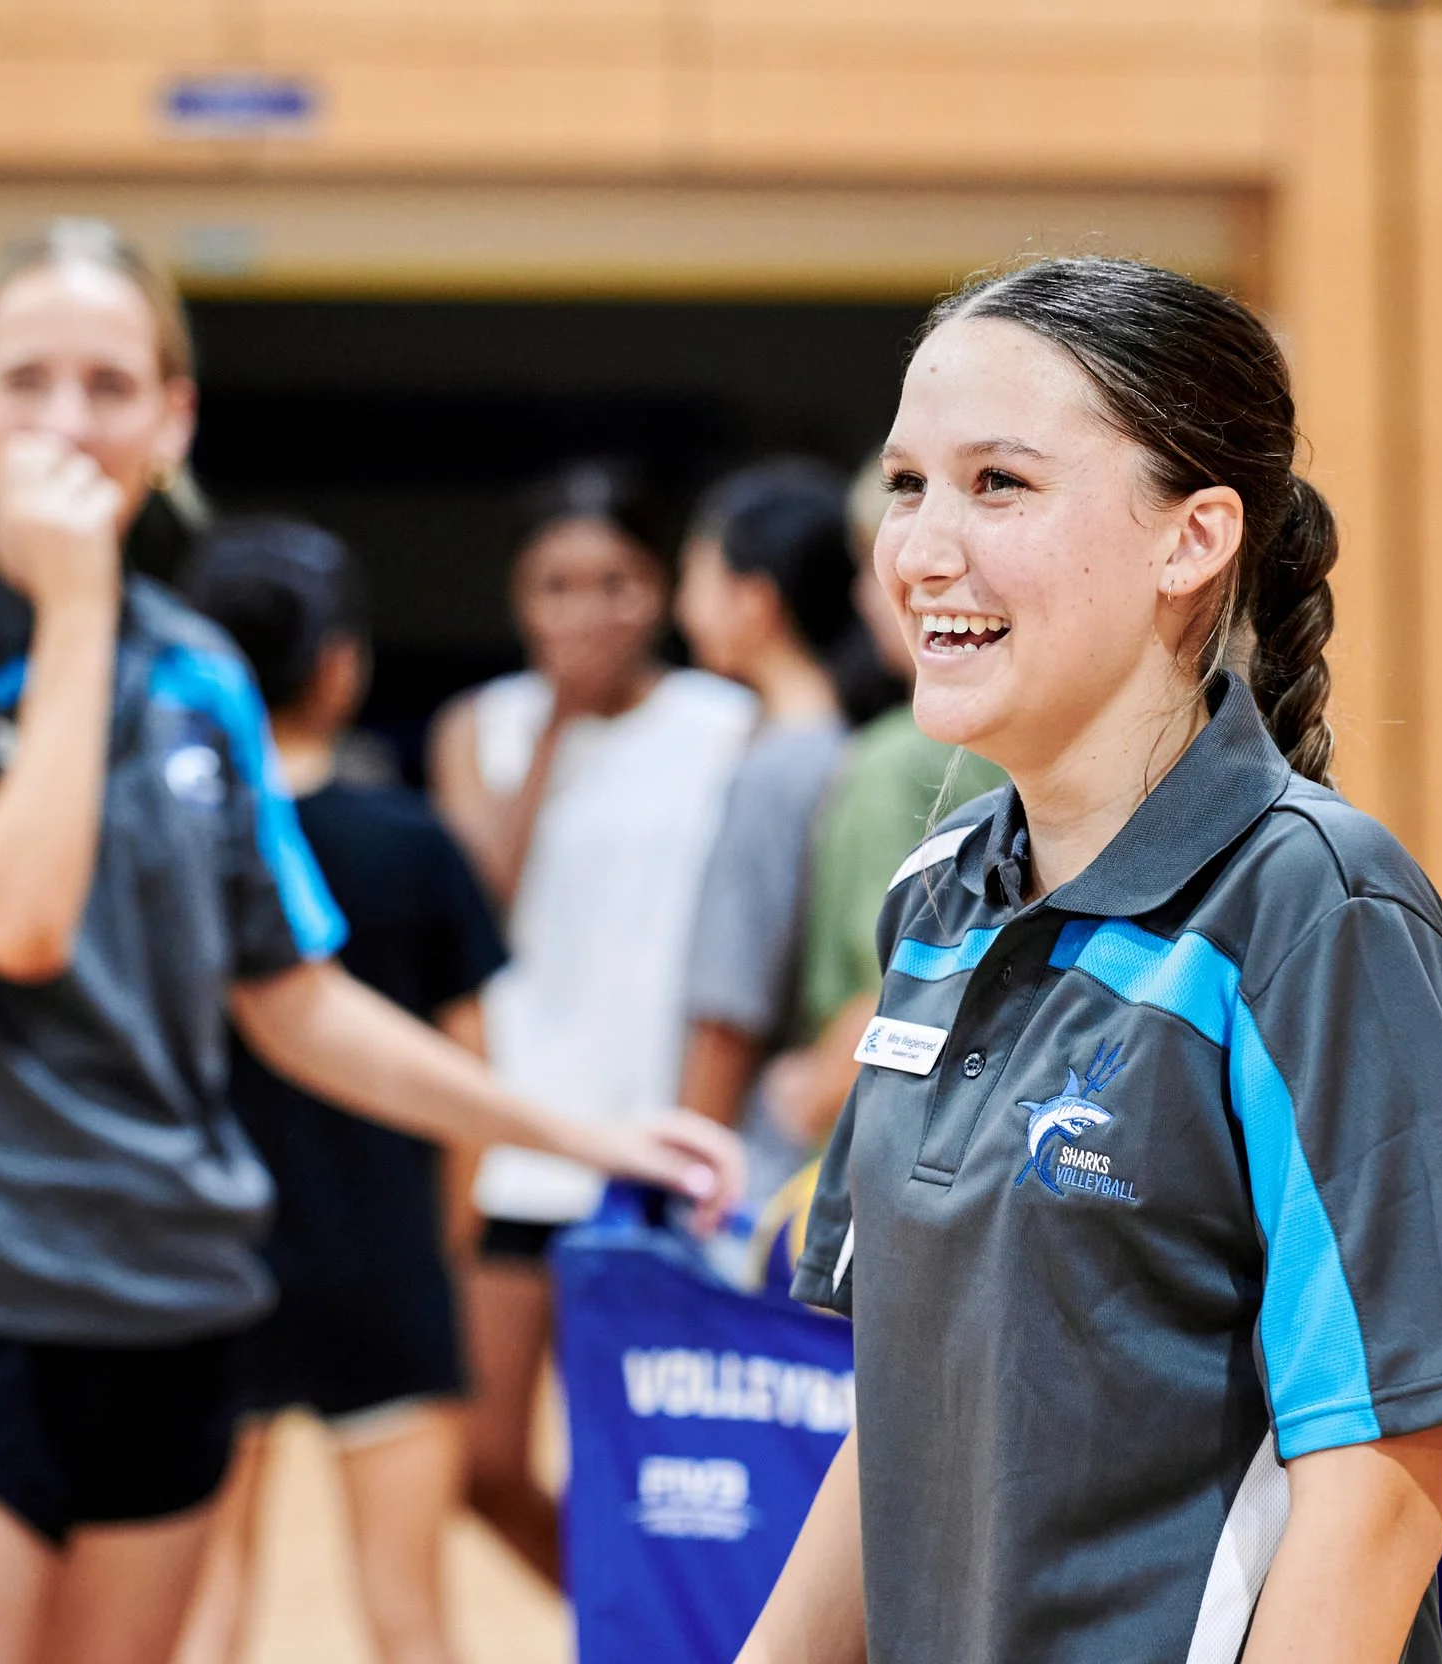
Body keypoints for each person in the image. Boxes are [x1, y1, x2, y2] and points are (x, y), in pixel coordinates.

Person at [0, 219, 741, 1664]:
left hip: (177, 1309)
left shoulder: (200, 674)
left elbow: (295, 999)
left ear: (171, 419)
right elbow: (20, 917)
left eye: (110, 386)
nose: (66, 420)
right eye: (27, 379)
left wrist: (584, 1133)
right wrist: (79, 604)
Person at [740, 255, 1442, 1664]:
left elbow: (1377, 1492)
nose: (922, 549)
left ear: (1191, 541)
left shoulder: (1314, 908)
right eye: (907, 484)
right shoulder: (935, 907)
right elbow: (900, 1425)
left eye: (998, 483)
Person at [170, 518, 502, 1664]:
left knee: (204, 1616)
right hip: (384, 1265)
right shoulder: (415, 844)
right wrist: (442, 1248)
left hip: (209, 1268)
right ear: (341, 664)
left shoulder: (170, 847)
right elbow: (470, 1075)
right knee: (409, 1620)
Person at [425, 460, 754, 1584]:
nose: (583, 609)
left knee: (660, 1469)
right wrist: (557, 728)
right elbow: (475, 915)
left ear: (657, 590)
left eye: (611, 580)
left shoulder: (725, 723)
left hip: (658, 1145)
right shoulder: (480, 727)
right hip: (515, 1147)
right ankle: (627, 1620)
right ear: (521, 600)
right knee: (482, 1459)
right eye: (553, 585)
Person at [755, 456, 1006, 1162]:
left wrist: (801, 1092)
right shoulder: (1027, 738)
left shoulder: (898, 760)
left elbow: (895, 992)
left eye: (872, 571)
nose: (869, 599)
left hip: (879, 1155)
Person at [672, 459, 858, 1197]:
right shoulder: (850, 742)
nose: (681, 608)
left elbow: (729, 1012)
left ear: (753, 601)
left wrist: (683, 1175)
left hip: (758, 1172)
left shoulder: (778, 769)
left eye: (693, 577)